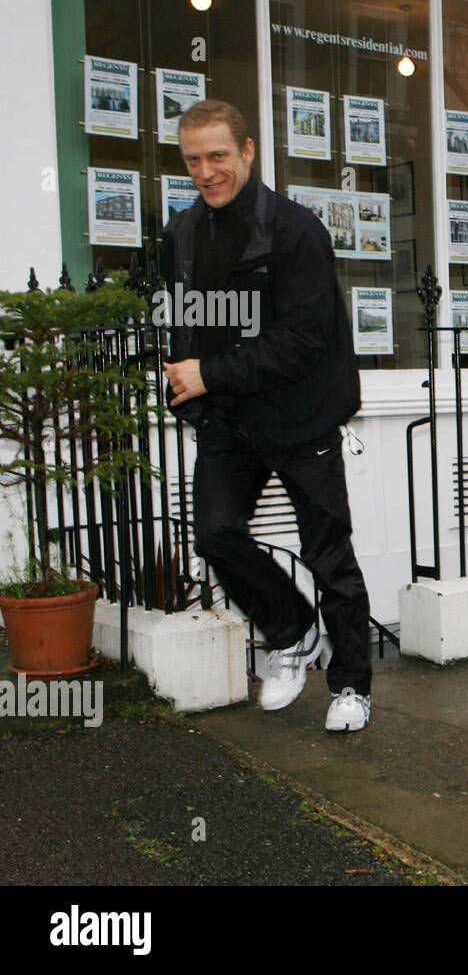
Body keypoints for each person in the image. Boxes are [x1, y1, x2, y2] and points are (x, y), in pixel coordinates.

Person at [160, 100, 372, 731]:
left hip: (302, 416)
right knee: (216, 534)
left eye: (218, 155)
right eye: (193, 159)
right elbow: (185, 320)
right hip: (228, 419)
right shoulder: (182, 232)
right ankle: (292, 631)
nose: (206, 170)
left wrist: (209, 373)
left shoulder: (297, 231)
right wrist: (184, 375)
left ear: (248, 152)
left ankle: (352, 686)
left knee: (328, 554)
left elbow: (304, 339)